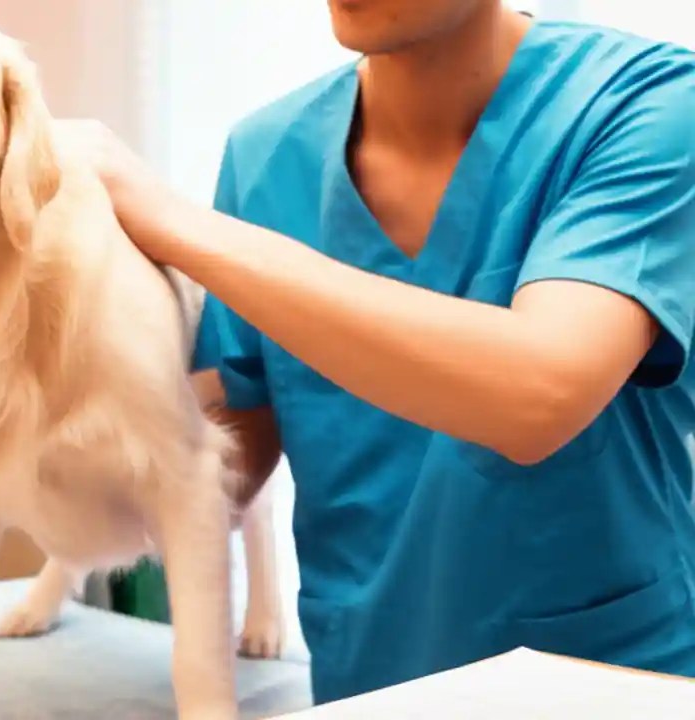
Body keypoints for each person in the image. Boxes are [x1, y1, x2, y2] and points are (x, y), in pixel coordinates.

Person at [67, 0, 695, 705]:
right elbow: (225, 462)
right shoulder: (268, 155)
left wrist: (175, 223)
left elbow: (540, 393)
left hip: (604, 683)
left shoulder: (647, 105)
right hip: (369, 685)